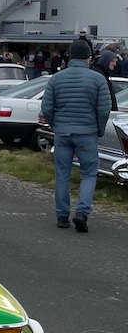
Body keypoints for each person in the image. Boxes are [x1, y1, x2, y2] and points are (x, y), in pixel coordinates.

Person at [41, 39, 111, 232]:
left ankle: (62, 216)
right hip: (87, 132)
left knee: (62, 174)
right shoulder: (98, 79)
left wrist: (56, 125)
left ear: (69, 57)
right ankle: (82, 212)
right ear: (89, 58)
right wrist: (99, 129)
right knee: (89, 173)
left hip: (63, 132)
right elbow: (103, 110)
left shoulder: (56, 79)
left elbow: (46, 107)